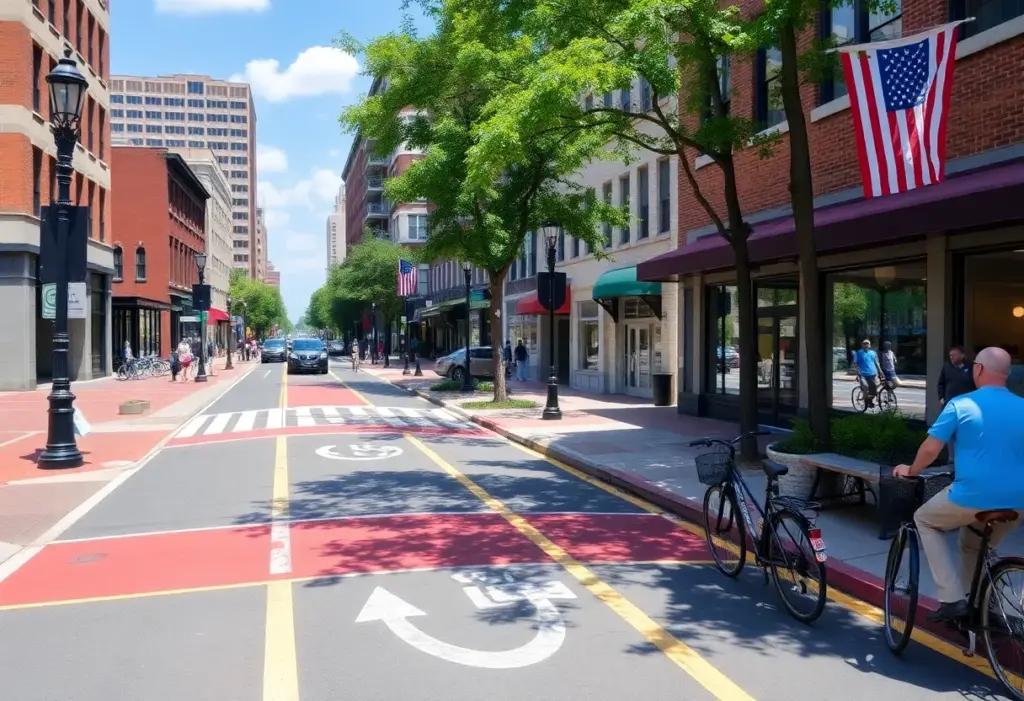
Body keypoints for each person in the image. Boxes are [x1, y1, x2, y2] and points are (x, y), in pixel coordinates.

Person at [894, 347, 1024, 622]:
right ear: (1007, 373)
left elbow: (931, 449)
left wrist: (911, 470)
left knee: (924, 519)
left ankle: (952, 599)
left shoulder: (961, 404)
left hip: (972, 496)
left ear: (978, 369)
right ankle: (979, 607)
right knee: (973, 544)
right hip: (1018, 502)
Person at [853, 339, 882, 408]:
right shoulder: (858, 353)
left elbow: (876, 362)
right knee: (866, 387)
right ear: (862, 345)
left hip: (873, 374)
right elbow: (855, 363)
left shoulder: (873, 353)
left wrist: (880, 371)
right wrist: (857, 372)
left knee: (874, 389)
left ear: (869, 345)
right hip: (863, 374)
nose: (866, 345)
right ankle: (866, 402)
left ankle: (869, 401)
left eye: (867, 344)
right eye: (864, 344)